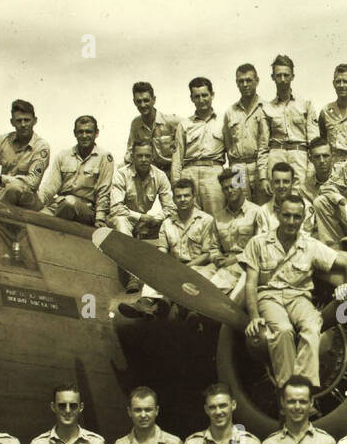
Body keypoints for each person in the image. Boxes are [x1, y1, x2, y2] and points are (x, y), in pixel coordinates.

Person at [241, 195, 347, 387]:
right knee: (283, 330)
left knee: (313, 326)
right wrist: (254, 316)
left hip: (299, 297)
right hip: (269, 297)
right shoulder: (258, 243)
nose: (291, 222)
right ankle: (287, 390)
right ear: (277, 214)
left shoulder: (310, 245)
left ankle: (304, 390)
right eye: (286, 216)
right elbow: (251, 284)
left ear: (303, 218)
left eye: (297, 217)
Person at [122, 178, 224, 319]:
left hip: (200, 266)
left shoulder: (206, 220)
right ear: (174, 199)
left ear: (194, 197)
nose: (183, 199)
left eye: (186, 196)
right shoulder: (167, 223)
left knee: (189, 275)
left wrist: (187, 267)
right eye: (178, 196)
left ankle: (165, 304)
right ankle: (145, 303)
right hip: (176, 265)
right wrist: (160, 262)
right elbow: (163, 250)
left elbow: (207, 254)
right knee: (157, 267)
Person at [110, 141, 176, 294]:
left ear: (152, 157)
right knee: (121, 222)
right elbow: (116, 208)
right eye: (140, 156)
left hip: (147, 222)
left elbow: (171, 208)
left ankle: (168, 276)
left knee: (171, 224)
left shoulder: (159, 176)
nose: (144, 159)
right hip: (125, 218)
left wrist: (155, 219)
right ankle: (133, 276)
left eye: (147, 156)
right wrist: (141, 218)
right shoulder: (121, 174)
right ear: (133, 157)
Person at [37, 115, 114, 226]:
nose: (84, 136)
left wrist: (100, 219)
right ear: (74, 133)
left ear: (96, 133)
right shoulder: (63, 155)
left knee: (70, 203)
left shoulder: (105, 157)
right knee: (36, 217)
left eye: (88, 132)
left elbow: (103, 191)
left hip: (86, 210)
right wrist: (38, 204)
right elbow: (50, 185)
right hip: (60, 204)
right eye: (80, 132)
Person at [263, 54, 318, 205]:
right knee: (276, 197)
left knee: (301, 196)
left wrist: (311, 168)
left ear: (293, 76)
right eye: (278, 75)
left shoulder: (305, 104)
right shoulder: (267, 108)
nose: (282, 79)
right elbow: (263, 145)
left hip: (299, 154)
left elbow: (314, 140)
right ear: (272, 77)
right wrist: (263, 176)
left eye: (286, 75)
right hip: (276, 153)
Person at [211, 167, 270, 301]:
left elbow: (259, 248)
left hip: (247, 265)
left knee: (216, 291)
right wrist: (216, 258)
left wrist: (235, 259)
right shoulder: (218, 217)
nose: (230, 191)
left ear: (241, 185)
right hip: (222, 264)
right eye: (226, 188)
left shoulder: (257, 212)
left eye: (233, 186)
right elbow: (213, 247)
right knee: (198, 280)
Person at [176, 76, 228, 221]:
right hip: (189, 173)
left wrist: (237, 185)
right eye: (196, 96)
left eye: (205, 95)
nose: (201, 99)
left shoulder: (223, 122)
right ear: (191, 98)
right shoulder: (184, 125)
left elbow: (234, 155)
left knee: (216, 219)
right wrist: (176, 186)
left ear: (212, 95)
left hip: (214, 173)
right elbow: (177, 159)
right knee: (190, 219)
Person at [223, 63, 271, 205]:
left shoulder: (267, 108)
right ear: (236, 83)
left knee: (264, 209)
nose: (245, 84)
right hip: (238, 168)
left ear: (257, 81)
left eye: (248, 80)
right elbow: (228, 143)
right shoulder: (230, 112)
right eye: (241, 81)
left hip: (260, 166)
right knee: (241, 208)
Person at [0, 99, 50, 209]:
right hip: (0, 194)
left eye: (27, 120)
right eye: (19, 120)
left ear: (34, 121)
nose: (23, 124)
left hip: (26, 199)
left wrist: (1, 179)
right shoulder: (2, 140)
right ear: (12, 122)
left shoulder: (42, 148)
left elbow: (32, 183)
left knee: (14, 187)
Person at [124, 81, 181, 175]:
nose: (142, 105)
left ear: (154, 100)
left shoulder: (171, 121)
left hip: (171, 171)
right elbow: (130, 151)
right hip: (150, 173)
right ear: (134, 102)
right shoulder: (136, 124)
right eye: (139, 101)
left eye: (146, 100)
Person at [259, 161, 318, 237]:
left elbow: (305, 238)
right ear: (271, 183)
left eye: (286, 182)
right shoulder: (264, 211)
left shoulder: (305, 207)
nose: (281, 186)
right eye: (277, 182)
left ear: (292, 182)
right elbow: (262, 241)